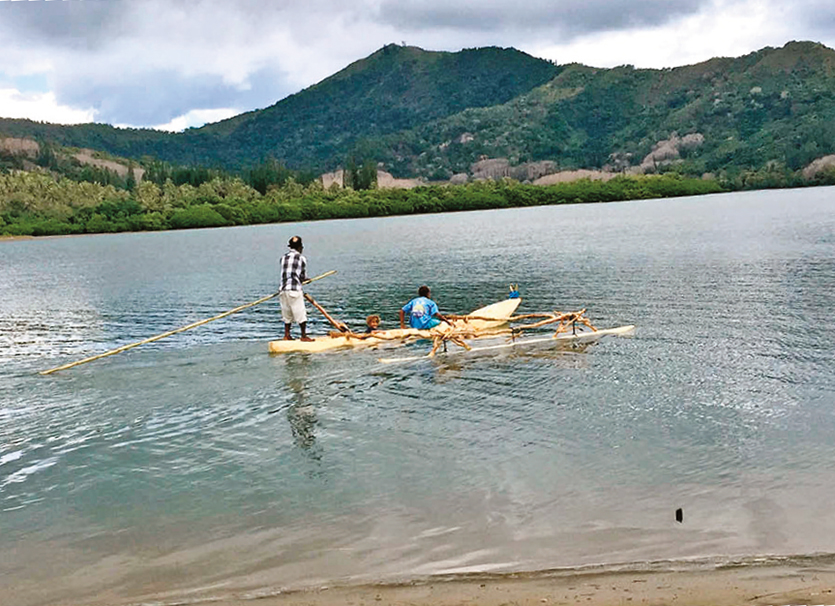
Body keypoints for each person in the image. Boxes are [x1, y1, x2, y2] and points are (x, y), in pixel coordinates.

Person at [279, 236, 313, 341]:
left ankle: (287, 335)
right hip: (294, 289)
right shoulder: (301, 258)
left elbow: (288, 272)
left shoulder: (283, 258)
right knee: (300, 313)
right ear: (299, 247)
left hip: (283, 289)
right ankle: (303, 336)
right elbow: (301, 276)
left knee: (287, 314)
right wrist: (305, 279)